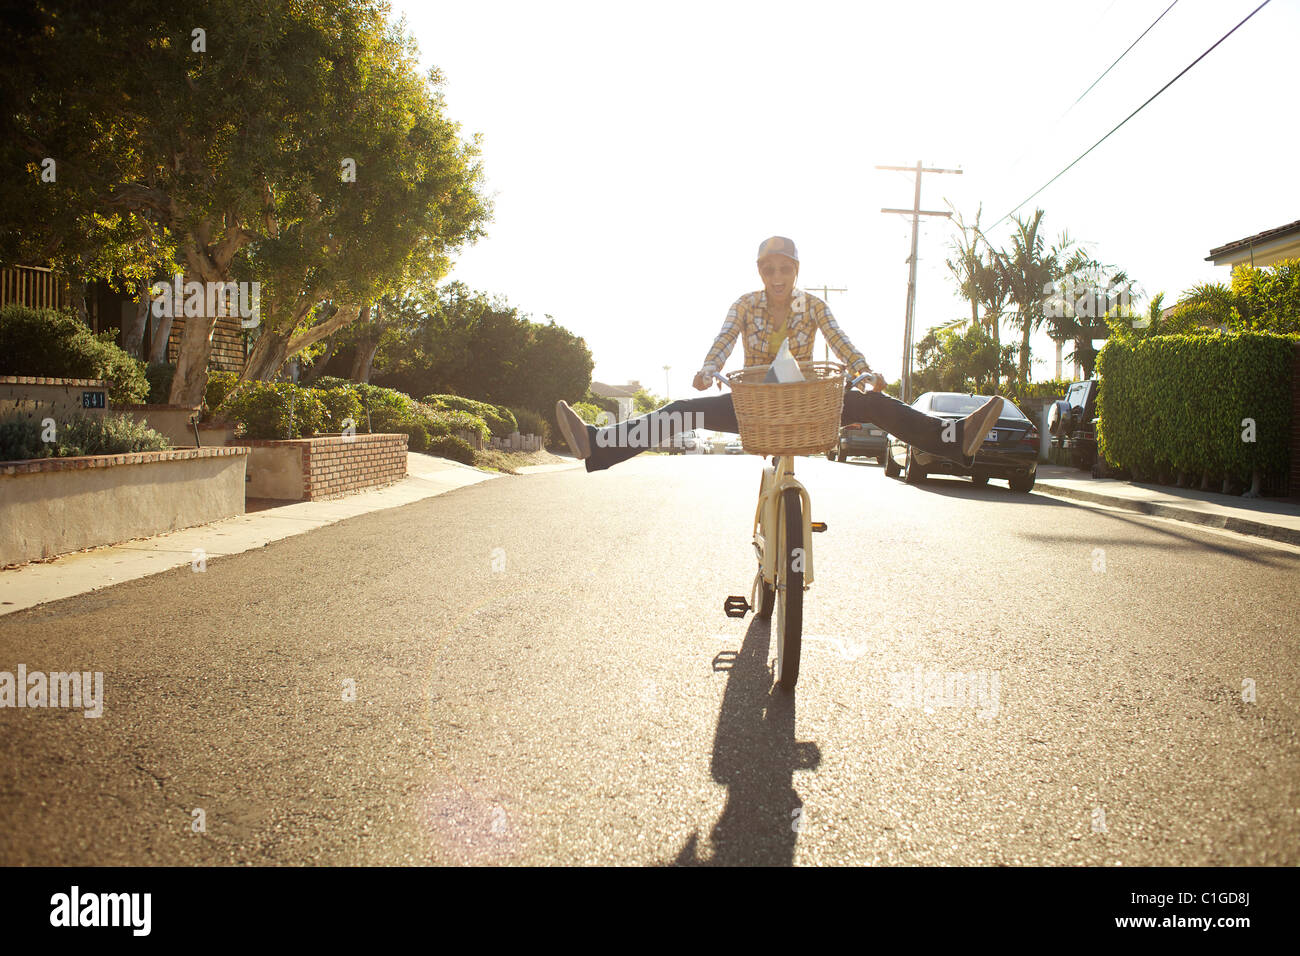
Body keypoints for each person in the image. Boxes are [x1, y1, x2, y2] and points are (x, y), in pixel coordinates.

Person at [555, 236, 1004, 472]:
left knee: (871, 402)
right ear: (759, 271)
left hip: (810, 404)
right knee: (682, 410)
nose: (777, 276)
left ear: (795, 270)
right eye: (769, 269)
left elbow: (841, 340)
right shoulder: (744, 304)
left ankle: (954, 438)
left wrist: (864, 371)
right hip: (755, 408)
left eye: (784, 269)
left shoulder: (813, 305)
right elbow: (724, 339)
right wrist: (709, 369)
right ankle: (597, 446)